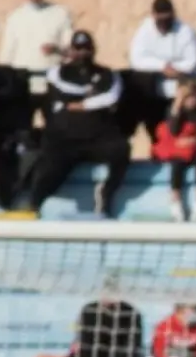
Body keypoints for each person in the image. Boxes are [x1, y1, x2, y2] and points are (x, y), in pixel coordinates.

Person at [27, 30, 130, 218]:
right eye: (78, 49)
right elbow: (62, 99)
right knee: (50, 168)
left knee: (121, 149)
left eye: (86, 49)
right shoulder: (58, 73)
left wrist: (83, 104)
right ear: (71, 50)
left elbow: (110, 97)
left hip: (97, 138)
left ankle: (106, 195)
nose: (82, 54)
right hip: (67, 139)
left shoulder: (107, 74)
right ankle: (34, 205)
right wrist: (90, 99)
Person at [128, 0, 196, 139]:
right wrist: (161, 66)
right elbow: (136, 59)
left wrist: (175, 70)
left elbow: (192, 61)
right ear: (153, 16)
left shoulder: (186, 32)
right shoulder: (144, 30)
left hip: (179, 94)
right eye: (159, 20)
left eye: (167, 20)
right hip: (153, 95)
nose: (163, 24)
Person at [154, 79, 196, 221]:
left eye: (194, 97)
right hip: (179, 150)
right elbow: (173, 131)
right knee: (176, 164)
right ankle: (176, 203)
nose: (191, 100)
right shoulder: (175, 111)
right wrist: (176, 106)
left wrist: (193, 141)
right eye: (187, 97)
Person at [0, 0, 71, 97]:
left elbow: (70, 49)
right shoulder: (15, 17)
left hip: (50, 81)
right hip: (23, 82)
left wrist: (56, 49)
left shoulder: (60, 13)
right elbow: (8, 51)